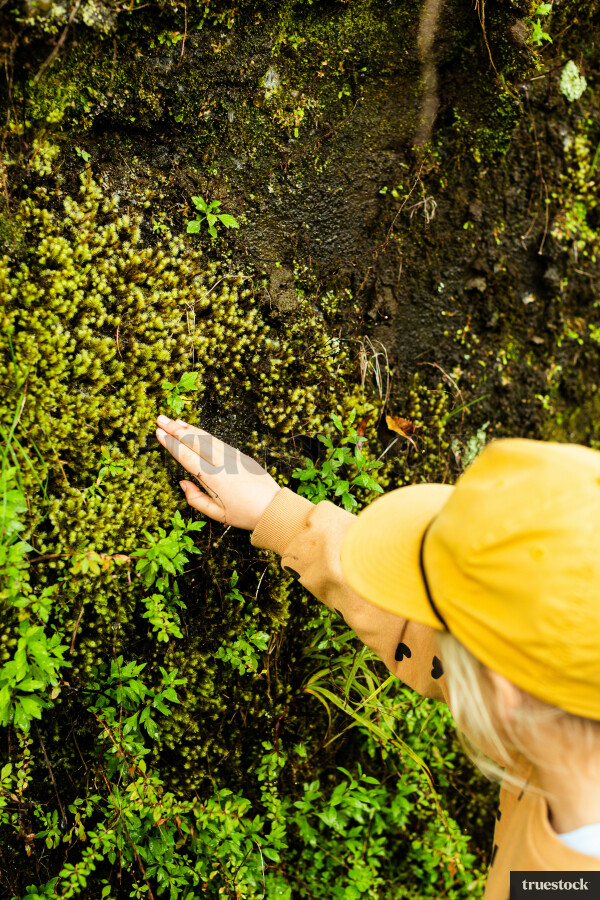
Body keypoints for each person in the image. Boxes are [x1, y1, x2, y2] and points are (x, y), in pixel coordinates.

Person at [155, 414, 600, 898]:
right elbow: (428, 638)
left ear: (507, 689)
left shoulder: (562, 882)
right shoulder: (562, 714)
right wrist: (278, 514)